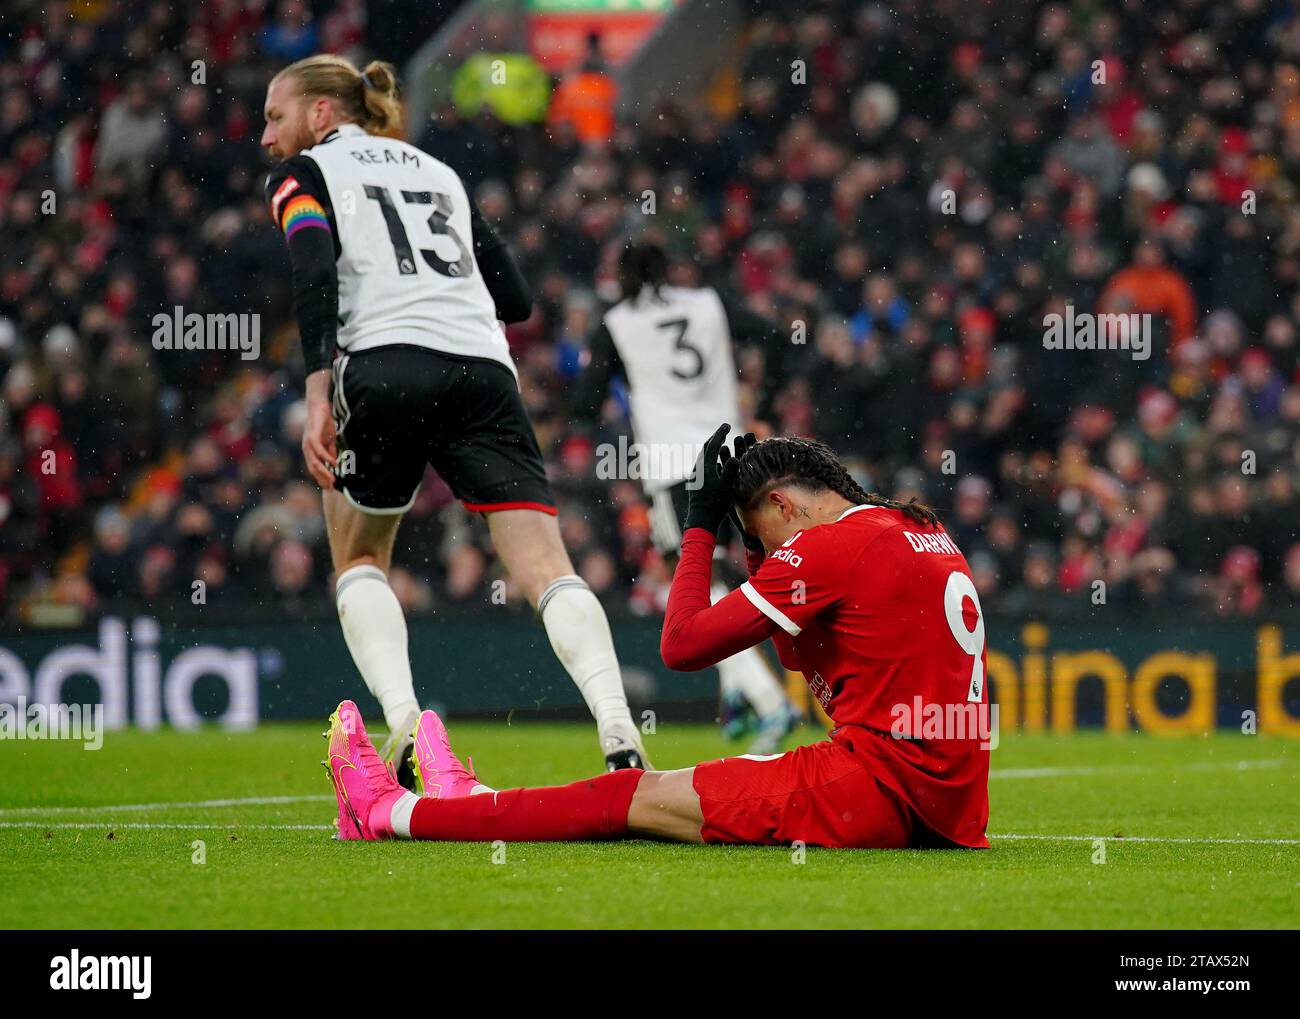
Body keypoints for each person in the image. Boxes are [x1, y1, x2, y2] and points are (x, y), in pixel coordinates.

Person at [322, 427, 991, 849]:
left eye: (759, 534)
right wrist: (759, 555)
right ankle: (463, 801)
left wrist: (699, 528)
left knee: (629, 797)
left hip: (876, 791)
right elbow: (799, 652)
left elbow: (683, 644)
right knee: (643, 798)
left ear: (785, 504)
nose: (764, 551)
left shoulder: (832, 548)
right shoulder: (915, 526)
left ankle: (392, 811)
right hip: (947, 802)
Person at [261, 54, 650, 779]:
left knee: (361, 557)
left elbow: (312, 272)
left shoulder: (305, 174)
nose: (265, 135)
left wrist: (319, 391)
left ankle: (408, 727)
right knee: (545, 564)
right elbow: (518, 300)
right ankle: (619, 726)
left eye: (274, 116)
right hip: (482, 370)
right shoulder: (438, 173)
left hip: (382, 364)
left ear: (321, 115)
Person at [576, 241, 798, 753]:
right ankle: (738, 699)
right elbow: (777, 338)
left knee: (694, 579)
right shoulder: (708, 303)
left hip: (675, 466)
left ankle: (768, 701)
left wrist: (620, 393)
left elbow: (583, 403)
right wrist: (761, 400)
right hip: (734, 452)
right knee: (725, 573)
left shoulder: (618, 324)